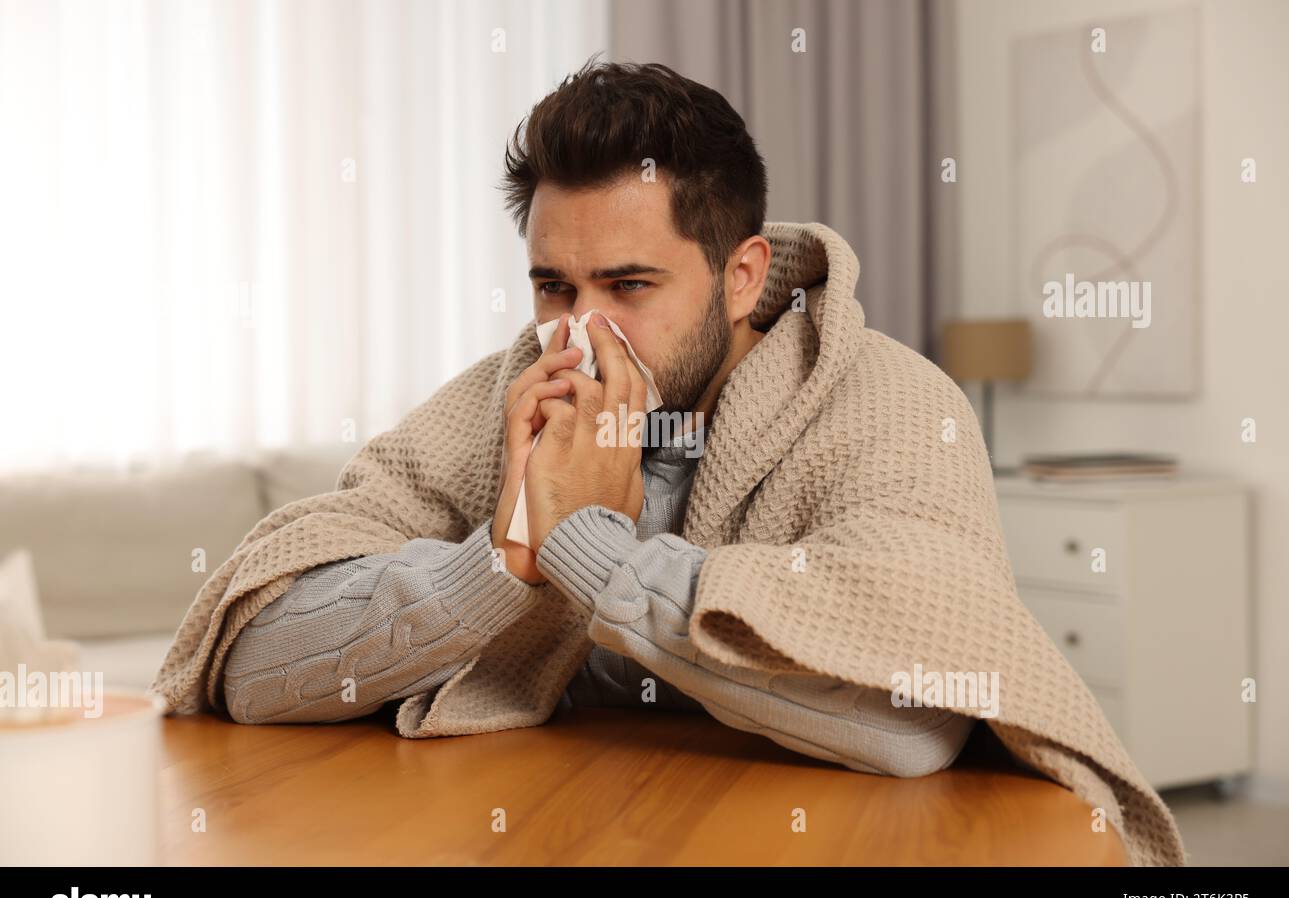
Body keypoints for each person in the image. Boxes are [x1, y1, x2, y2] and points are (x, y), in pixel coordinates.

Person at [217, 59, 975, 777]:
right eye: (555, 287)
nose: (581, 333)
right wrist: (501, 562)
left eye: (630, 285)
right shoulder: (507, 394)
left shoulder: (888, 400)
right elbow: (249, 663)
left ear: (741, 278)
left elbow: (915, 715)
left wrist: (583, 544)